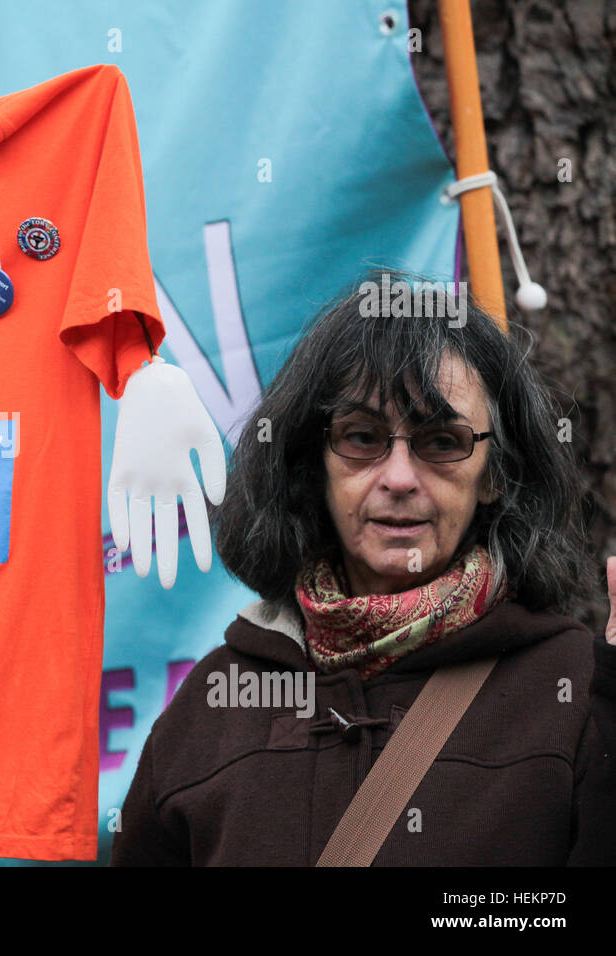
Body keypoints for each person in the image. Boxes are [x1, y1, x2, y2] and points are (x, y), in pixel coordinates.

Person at [111, 272, 616, 866]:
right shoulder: (210, 708)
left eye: (443, 441)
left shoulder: (579, 691)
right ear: (312, 464)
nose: (399, 478)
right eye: (361, 437)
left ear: (495, 475)